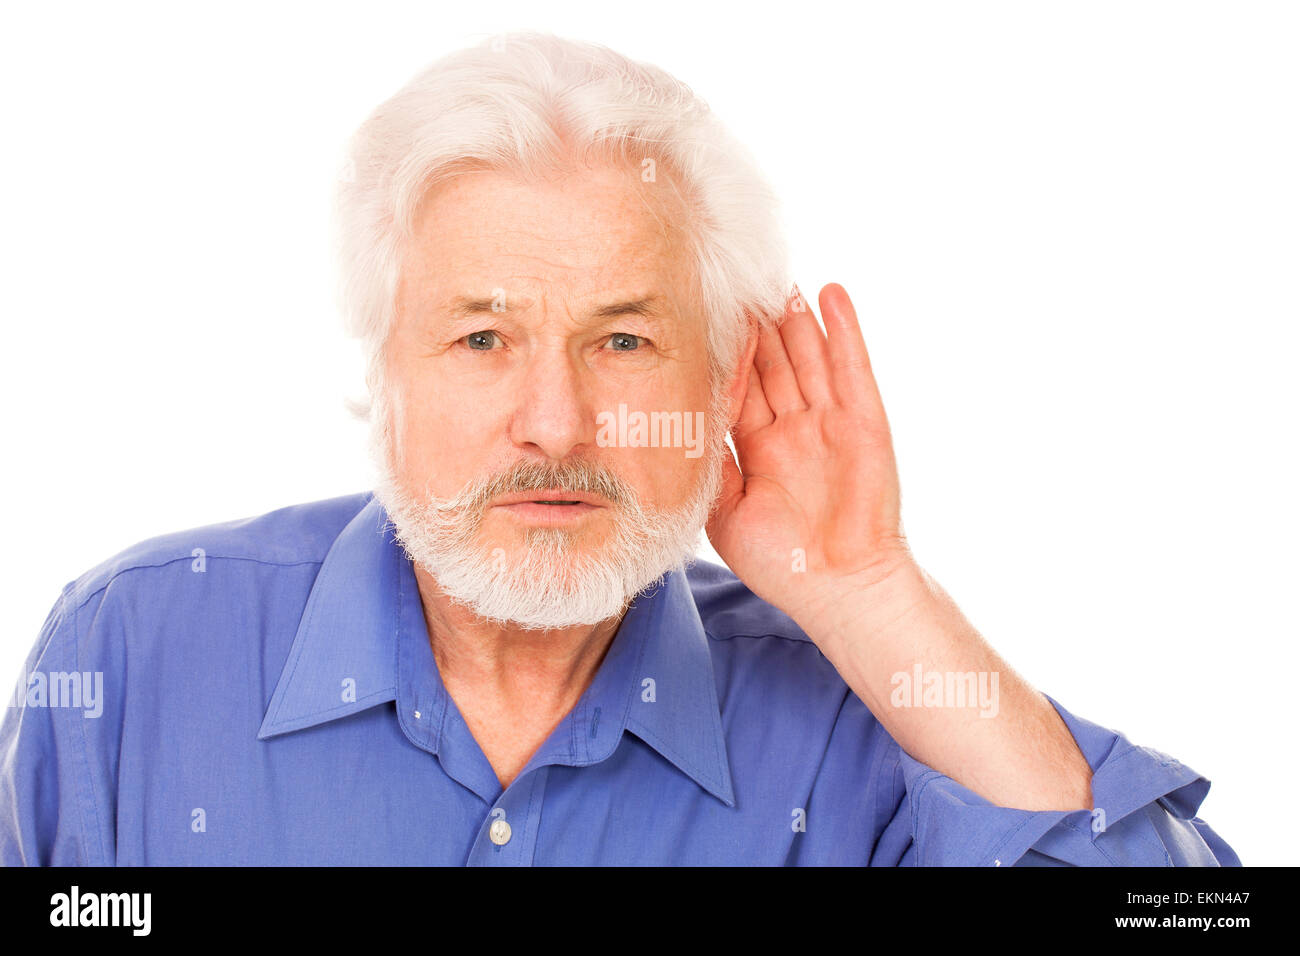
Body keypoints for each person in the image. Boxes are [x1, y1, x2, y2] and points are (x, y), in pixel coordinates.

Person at [0, 31, 1238, 865]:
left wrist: (869, 589)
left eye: (624, 342)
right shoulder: (131, 655)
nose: (554, 422)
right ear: (382, 372)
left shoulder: (863, 717)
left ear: (727, 380)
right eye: (482, 337)